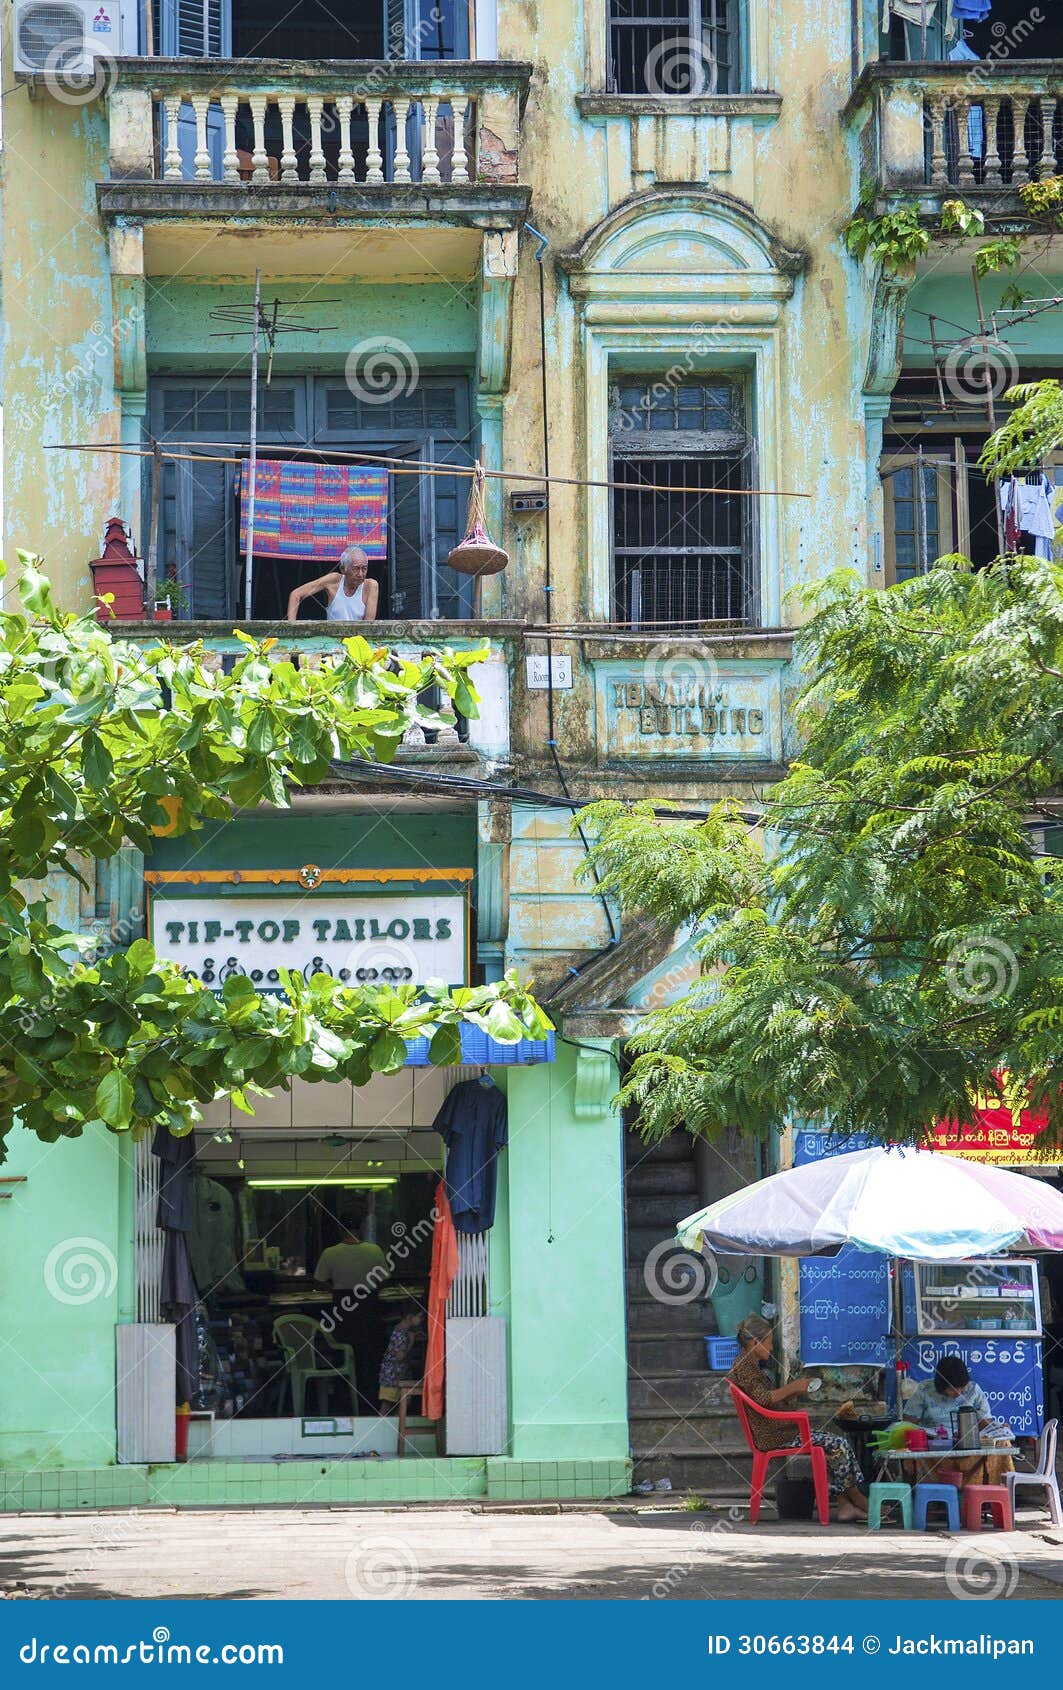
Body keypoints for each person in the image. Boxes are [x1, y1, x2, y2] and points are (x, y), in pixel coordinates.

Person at [728, 1314, 868, 1522]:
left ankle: (844, 1504)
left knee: (832, 1447)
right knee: (838, 1444)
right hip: (773, 1436)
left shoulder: (748, 1364)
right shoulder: (745, 1367)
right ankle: (857, 1498)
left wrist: (793, 1392)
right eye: (769, 1342)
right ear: (755, 1342)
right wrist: (792, 1387)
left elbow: (768, 1400)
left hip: (775, 1431)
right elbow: (764, 1398)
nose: (772, 1348)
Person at [315, 1215, 390, 1413]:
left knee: (342, 1352)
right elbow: (383, 1279)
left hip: (342, 1311)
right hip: (368, 1310)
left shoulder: (330, 1253)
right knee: (370, 1354)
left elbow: (320, 1279)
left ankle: (343, 1399)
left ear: (340, 1230)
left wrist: (335, 1290)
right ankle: (370, 1399)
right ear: (362, 1228)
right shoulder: (373, 1251)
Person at [907, 1354, 1014, 1488]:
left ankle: (993, 1490)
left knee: (1003, 1443)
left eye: (961, 1387)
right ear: (941, 1385)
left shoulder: (974, 1390)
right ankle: (929, 1492)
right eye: (952, 1388)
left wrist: (998, 1429)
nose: (958, 1392)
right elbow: (909, 1423)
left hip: (970, 1443)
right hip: (936, 1447)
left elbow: (984, 1423)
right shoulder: (925, 1389)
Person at [286, 545, 379, 623]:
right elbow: (296, 594)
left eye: (364, 569)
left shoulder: (371, 586)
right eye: (356, 569)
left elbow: (368, 624)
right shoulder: (333, 580)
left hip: (358, 640)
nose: (360, 574)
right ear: (343, 569)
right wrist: (291, 626)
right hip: (332, 641)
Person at [378, 1308, 426, 1411]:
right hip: (393, 1374)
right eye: (420, 1317)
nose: (421, 1320)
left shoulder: (400, 1330)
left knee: (402, 1403)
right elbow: (400, 1356)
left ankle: (396, 1426)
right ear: (409, 1317)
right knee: (388, 1404)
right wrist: (411, 1342)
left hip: (398, 1373)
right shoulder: (401, 1333)